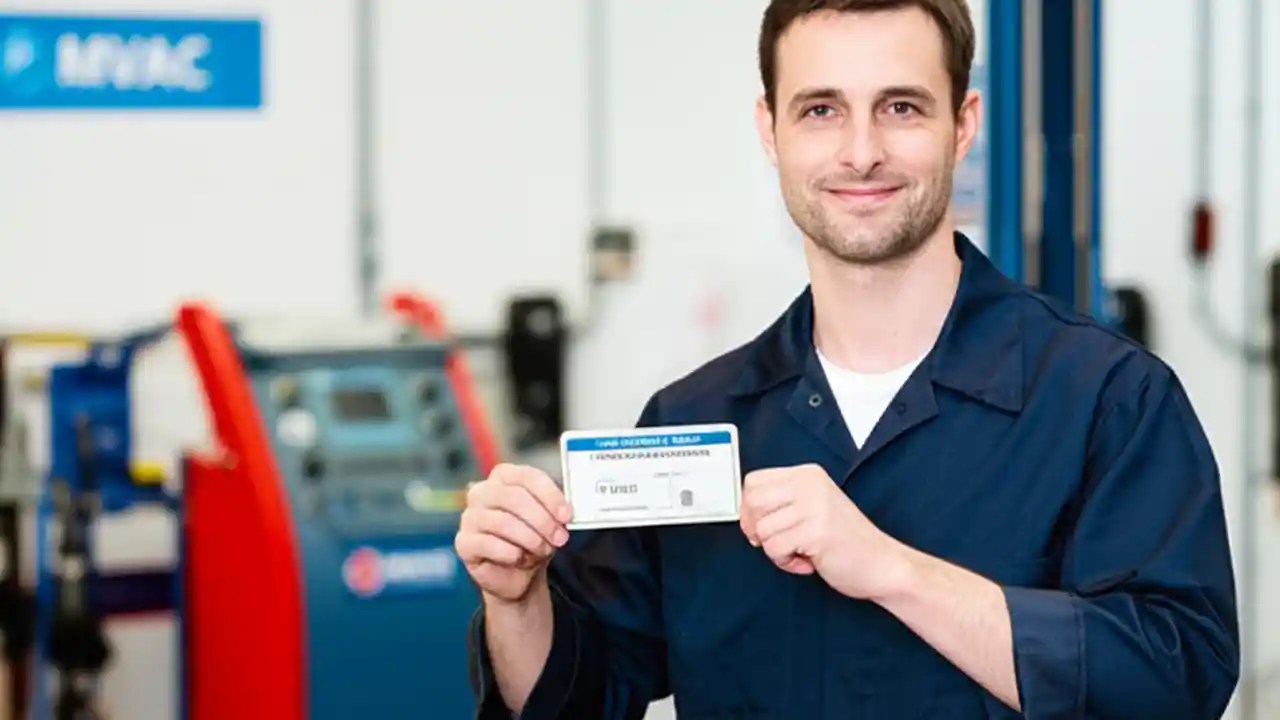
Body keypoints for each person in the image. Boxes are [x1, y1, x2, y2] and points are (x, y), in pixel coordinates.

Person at [456, 0, 1241, 717]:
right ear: (771, 130)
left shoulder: (1107, 401)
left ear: (962, 125)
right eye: (821, 110)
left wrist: (891, 569)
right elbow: (579, 696)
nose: (861, 153)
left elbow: (1176, 682)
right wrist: (518, 600)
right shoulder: (694, 417)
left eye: (900, 107)